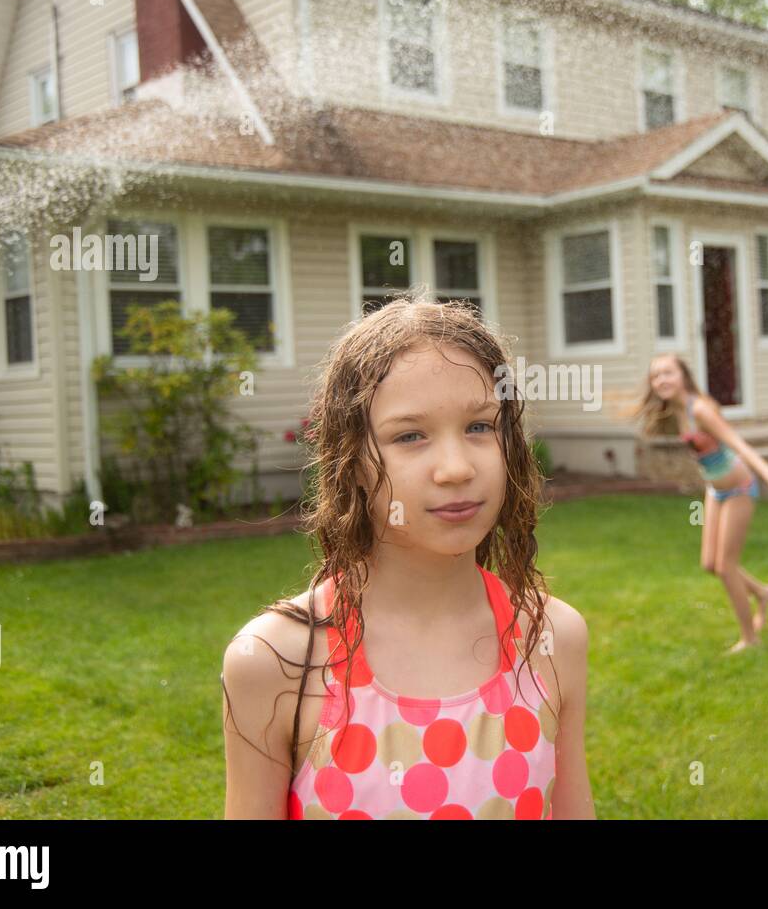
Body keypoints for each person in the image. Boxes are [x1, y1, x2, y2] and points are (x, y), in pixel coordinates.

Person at [221, 288, 594, 819]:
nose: (456, 467)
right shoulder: (276, 662)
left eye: (480, 426)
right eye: (411, 435)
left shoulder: (553, 637)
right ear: (350, 463)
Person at [640, 354, 768, 654]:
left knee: (726, 567)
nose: (661, 380)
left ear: (683, 375)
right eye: (656, 376)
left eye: (668, 373)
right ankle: (762, 593)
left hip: (739, 487)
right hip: (715, 490)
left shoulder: (700, 409)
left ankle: (750, 638)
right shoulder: (677, 410)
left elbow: (737, 443)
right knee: (710, 564)